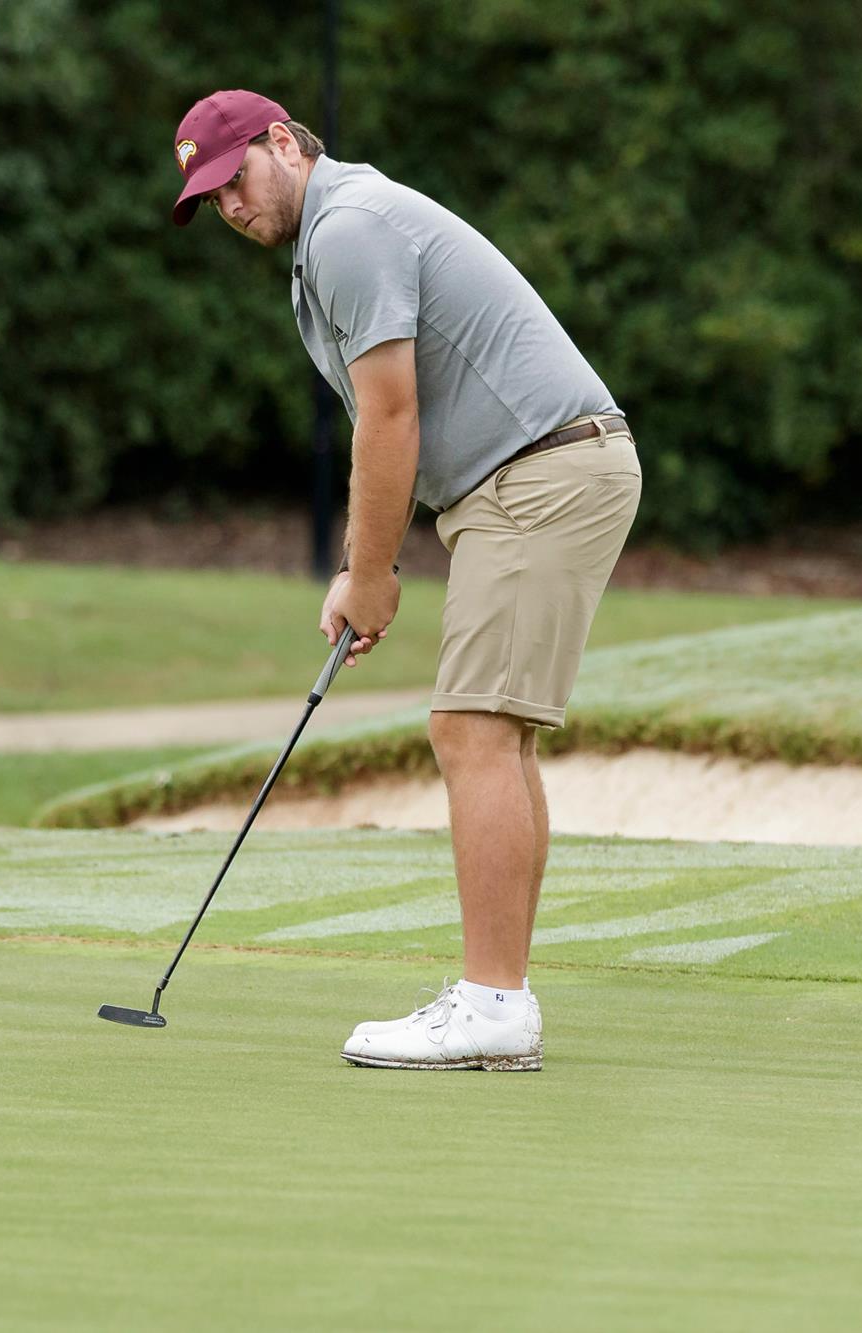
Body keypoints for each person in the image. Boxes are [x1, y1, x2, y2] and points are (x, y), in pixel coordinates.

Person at [169, 90, 642, 1071]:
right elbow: (388, 424)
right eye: (211, 200)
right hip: (537, 471)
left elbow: (389, 418)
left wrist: (367, 571)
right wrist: (365, 569)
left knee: (469, 727)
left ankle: (492, 1004)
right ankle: (497, 993)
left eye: (235, 180)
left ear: (279, 142)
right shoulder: (324, 242)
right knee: (493, 733)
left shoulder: (346, 228)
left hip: (543, 468)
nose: (230, 208)